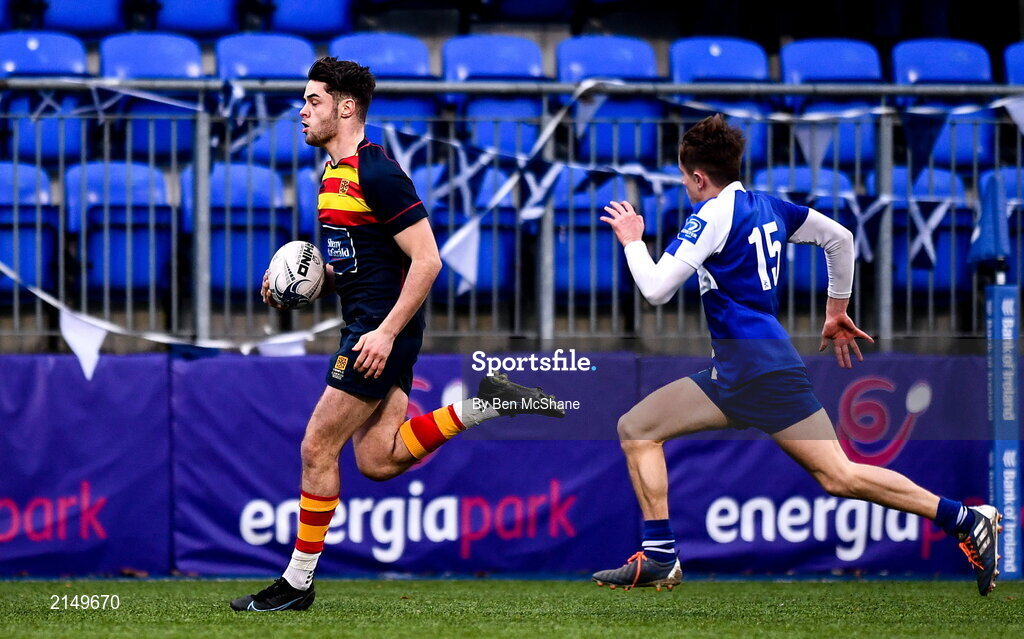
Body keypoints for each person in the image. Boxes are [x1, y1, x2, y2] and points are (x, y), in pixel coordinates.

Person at [592, 114, 1001, 596]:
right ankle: (661, 554)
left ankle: (964, 518)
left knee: (840, 476)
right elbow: (840, 239)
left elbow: (657, 290)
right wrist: (836, 309)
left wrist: (633, 242)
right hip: (737, 374)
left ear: (699, 177)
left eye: (685, 179)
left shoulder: (711, 216)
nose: (684, 187)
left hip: (761, 372)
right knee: (637, 428)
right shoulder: (769, 207)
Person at [231, 58, 564, 612]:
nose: (302, 109)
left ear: (345, 107)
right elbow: (365, 264)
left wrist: (384, 334)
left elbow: (428, 261)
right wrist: (304, 282)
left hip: (378, 333)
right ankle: (482, 407)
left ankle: (296, 584)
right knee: (378, 461)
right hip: (376, 328)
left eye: (313, 100)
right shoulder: (330, 176)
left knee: (317, 445)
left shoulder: (377, 172)